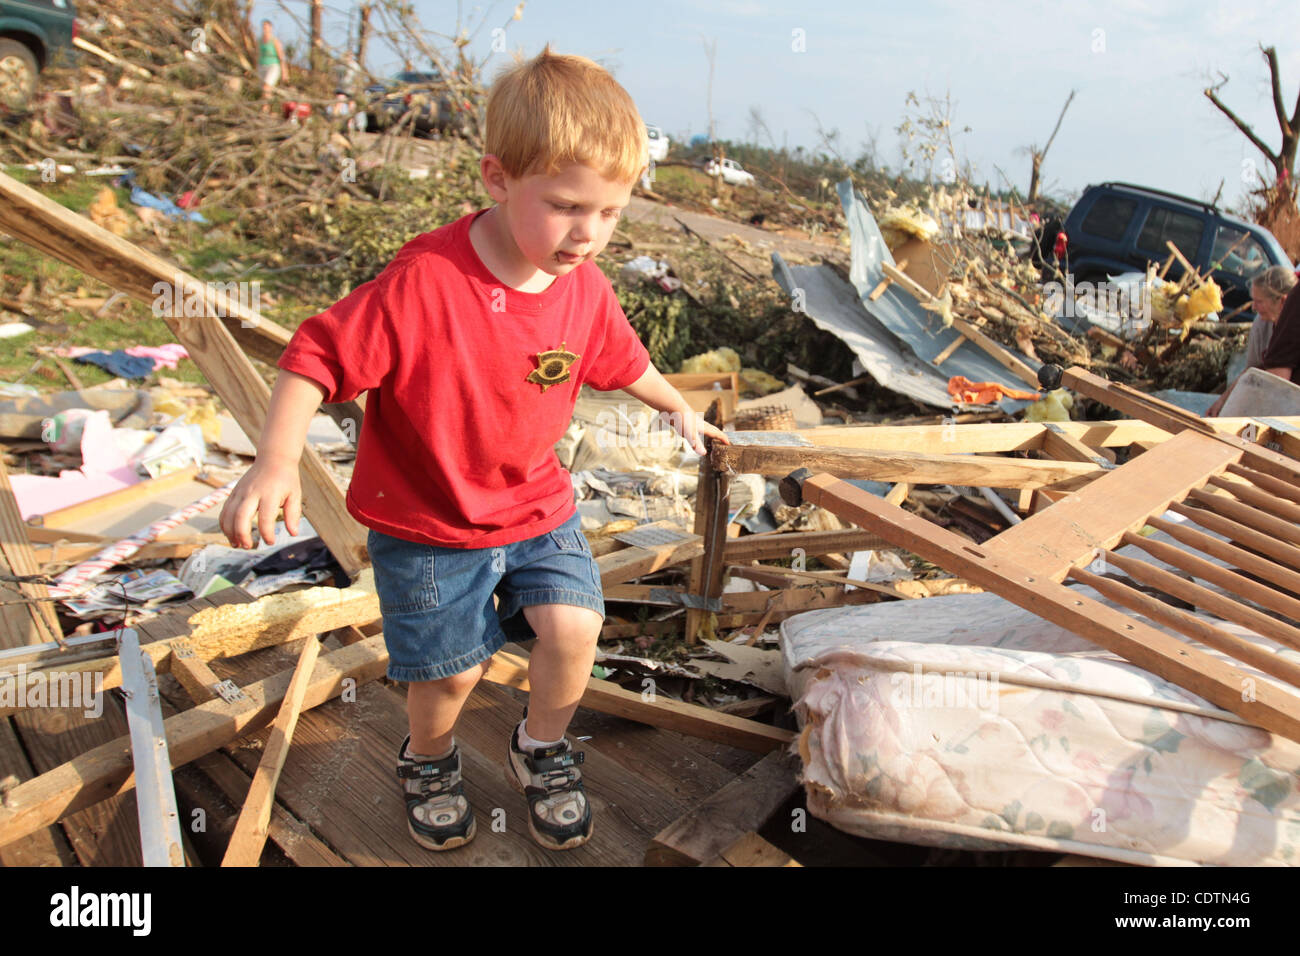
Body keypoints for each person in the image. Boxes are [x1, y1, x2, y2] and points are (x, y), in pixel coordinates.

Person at [217, 47, 728, 853]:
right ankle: (428, 756)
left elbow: (625, 361)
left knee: (573, 629)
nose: (588, 234)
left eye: (610, 214)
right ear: (497, 178)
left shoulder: (583, 288)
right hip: (429, 524)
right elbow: (314, 357)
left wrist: (681, 414)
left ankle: (542, 747)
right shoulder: (426, 282)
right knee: (451, 672)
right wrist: (277, 461)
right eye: (565, 207)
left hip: (535, 507)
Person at [1209, 265, 1300, 414]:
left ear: (1283, 301)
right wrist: (1222, 401)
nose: (1254, 307)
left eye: (1259, 301)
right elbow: (1252, 369)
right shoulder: (1262, 325)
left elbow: (1277, 381)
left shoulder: (1295, 309)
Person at [257, 20, 288, 107]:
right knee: (265, 90)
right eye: (263, 27)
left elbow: (281, 57)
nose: (265, 29)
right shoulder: (260, 40)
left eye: (266, 27)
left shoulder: (274, 41)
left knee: (266, 88)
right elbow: (258, 54)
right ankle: (267, 108)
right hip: (262, 66)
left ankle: (266, 109)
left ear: (270, 28)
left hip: (273, 66)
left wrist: (284, 72)